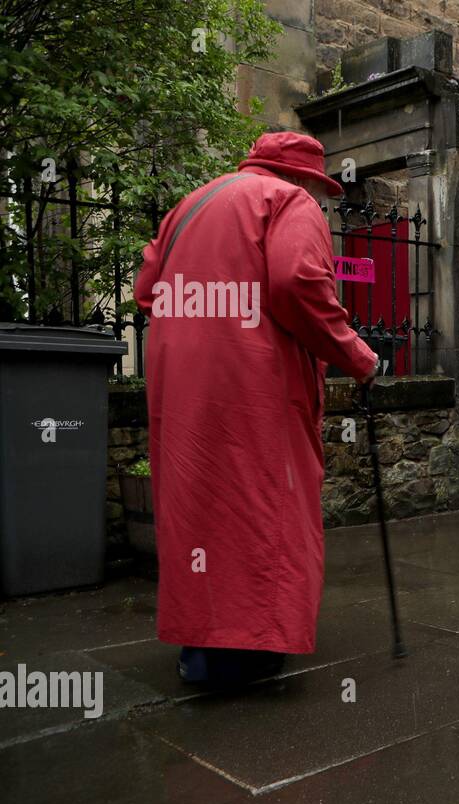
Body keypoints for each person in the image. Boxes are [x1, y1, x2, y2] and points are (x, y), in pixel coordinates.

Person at [134, 131, 380, 688]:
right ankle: (249, 650)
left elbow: (147, 289)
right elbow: (297, 282)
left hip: (180, 373)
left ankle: (199, 648)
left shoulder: (193, 202)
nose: (317, 197)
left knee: (197, 500)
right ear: (302, 178)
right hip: (252, 375)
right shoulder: (288, 202)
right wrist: (358, 356)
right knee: (264, 497)